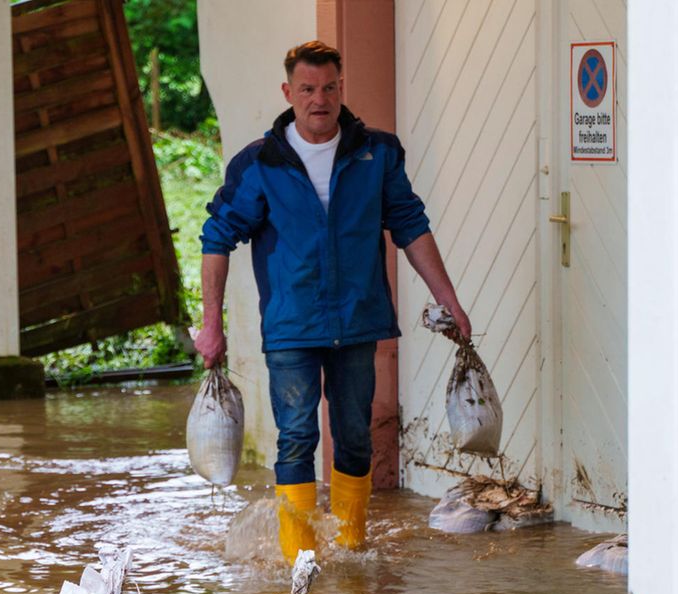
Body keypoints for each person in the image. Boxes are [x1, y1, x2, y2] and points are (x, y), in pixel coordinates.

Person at [194, 41, 471, 562]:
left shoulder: (378, 153)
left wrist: (448, 298)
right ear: (288, 92)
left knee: (354, 437)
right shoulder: (260, 164)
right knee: (296, 437)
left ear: (340, 88)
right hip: (291, 326)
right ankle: (300, 565)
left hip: (358, 321)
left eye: (328, 88)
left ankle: (351, 551)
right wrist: (211, 326)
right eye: (306, 89)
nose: (318, 99)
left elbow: (410, 225)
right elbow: (216, 239)